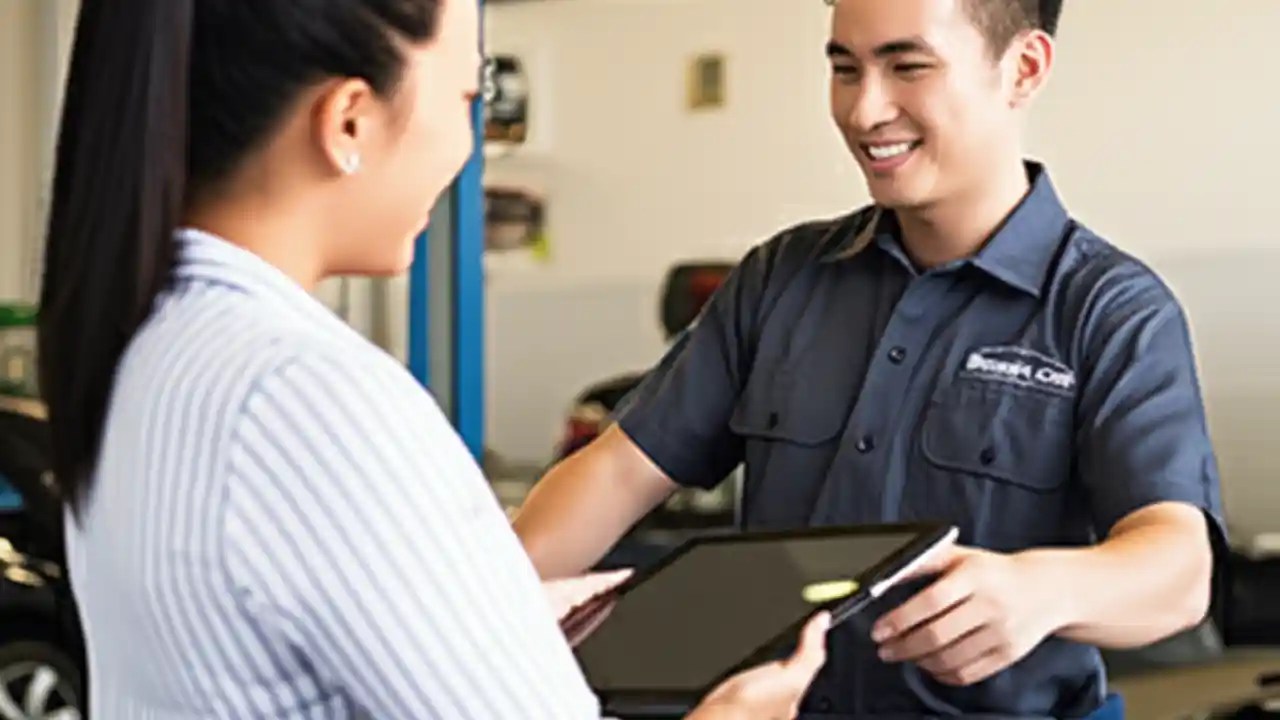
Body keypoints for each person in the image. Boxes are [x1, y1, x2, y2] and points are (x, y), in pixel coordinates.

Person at [35, 0, 833, 717]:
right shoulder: (314, 400)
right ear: (348, 119)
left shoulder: (147, 350)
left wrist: (468, 627)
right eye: (466, 101)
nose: (465, 146)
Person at [513, 0, 1227, 716]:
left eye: (907, 66)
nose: (864, 111)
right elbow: (616, 470)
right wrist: (470, 613)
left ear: (1023, 69)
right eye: (845, 69)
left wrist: (1043, 590)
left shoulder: (1109, 311)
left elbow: (1177, 569)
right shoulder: (781, 280)